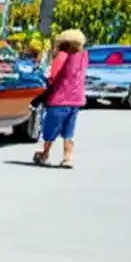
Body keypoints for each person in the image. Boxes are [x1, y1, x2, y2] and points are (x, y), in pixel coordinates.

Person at [33, 28, 87, 168]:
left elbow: (52, 75)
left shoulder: (63, 55)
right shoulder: (84, 55)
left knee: (50, 129)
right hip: (76, 99)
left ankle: (44, 154)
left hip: (60, 99)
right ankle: (68, 157)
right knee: (68, 131)